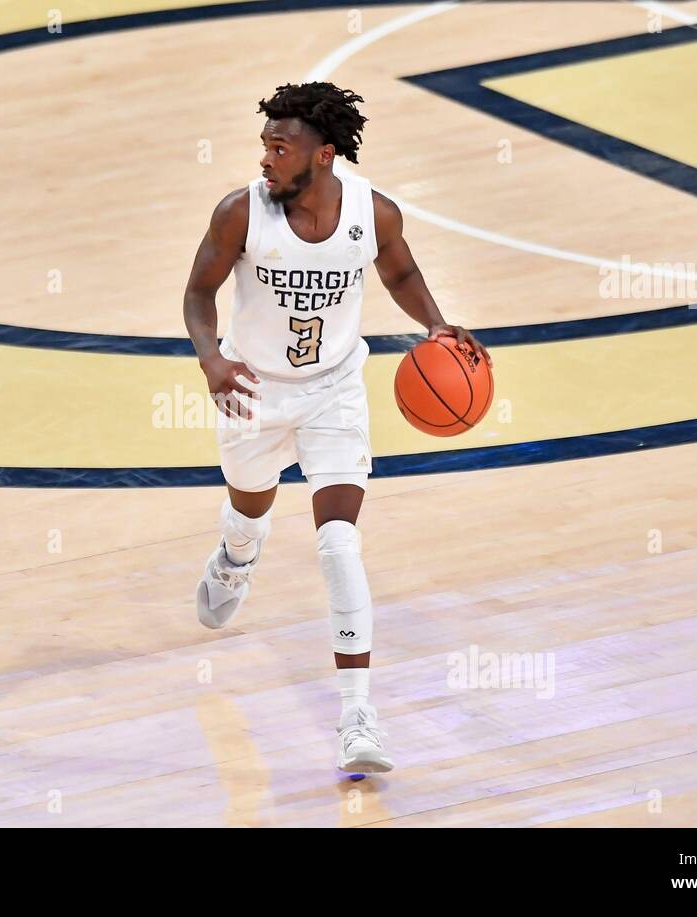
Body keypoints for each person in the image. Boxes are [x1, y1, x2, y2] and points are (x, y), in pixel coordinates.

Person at [182, 82, 490, 773]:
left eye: (279, 146)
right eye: (264, 144)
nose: (266, 157)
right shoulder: (242, 213)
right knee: (248, 508)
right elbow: (199, 292)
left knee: (338, 544)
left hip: (334, 391)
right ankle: (237, 554)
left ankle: (358, 716)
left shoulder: (371, 213)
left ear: (322, 156)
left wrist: (435, 323)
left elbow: (400, 268)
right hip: (253, 389)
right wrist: (211, 359)